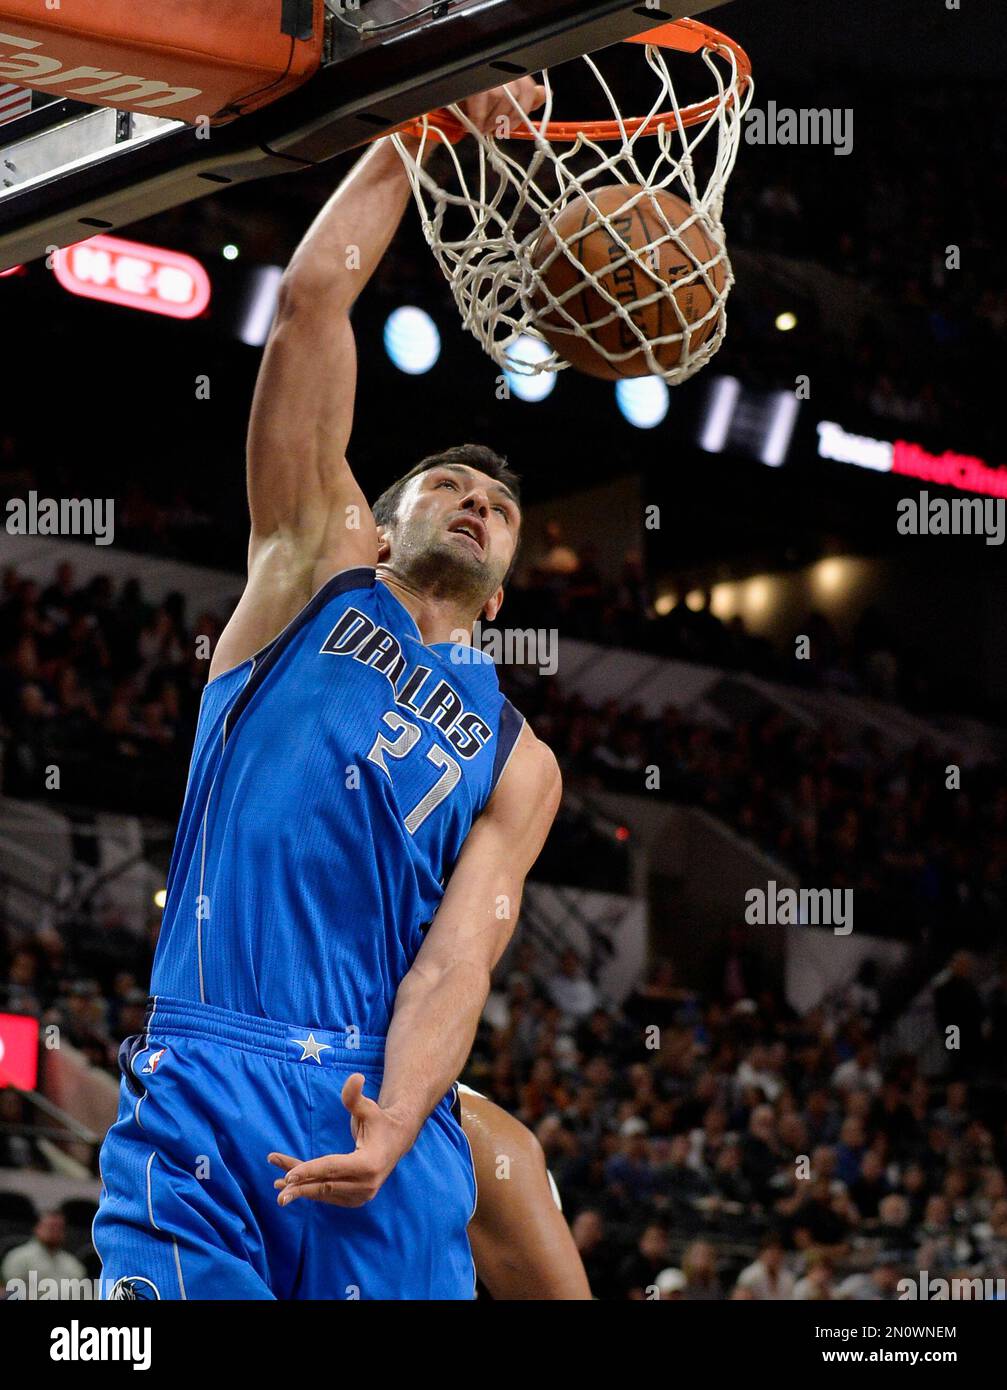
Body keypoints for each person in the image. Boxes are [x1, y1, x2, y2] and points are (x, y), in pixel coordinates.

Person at [93, 75, 562, 1302]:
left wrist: (400, 1118)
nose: (475, 501)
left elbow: (457, 958)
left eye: (500, 506)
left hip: (370, 1092)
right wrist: (425, 130)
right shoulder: (312, 568)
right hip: (210, 1063)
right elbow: (310, 303)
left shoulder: (521, 760)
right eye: (451, 483)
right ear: (384, 510)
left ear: (504, 585)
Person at [1, 1211, 86, 1291]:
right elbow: (12, 1291)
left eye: (59, 1228)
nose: (55, 1232)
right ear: (37, 1228)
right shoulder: (18, 1256)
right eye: (51, 1227)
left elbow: (81, 1293)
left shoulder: (73, 1264)